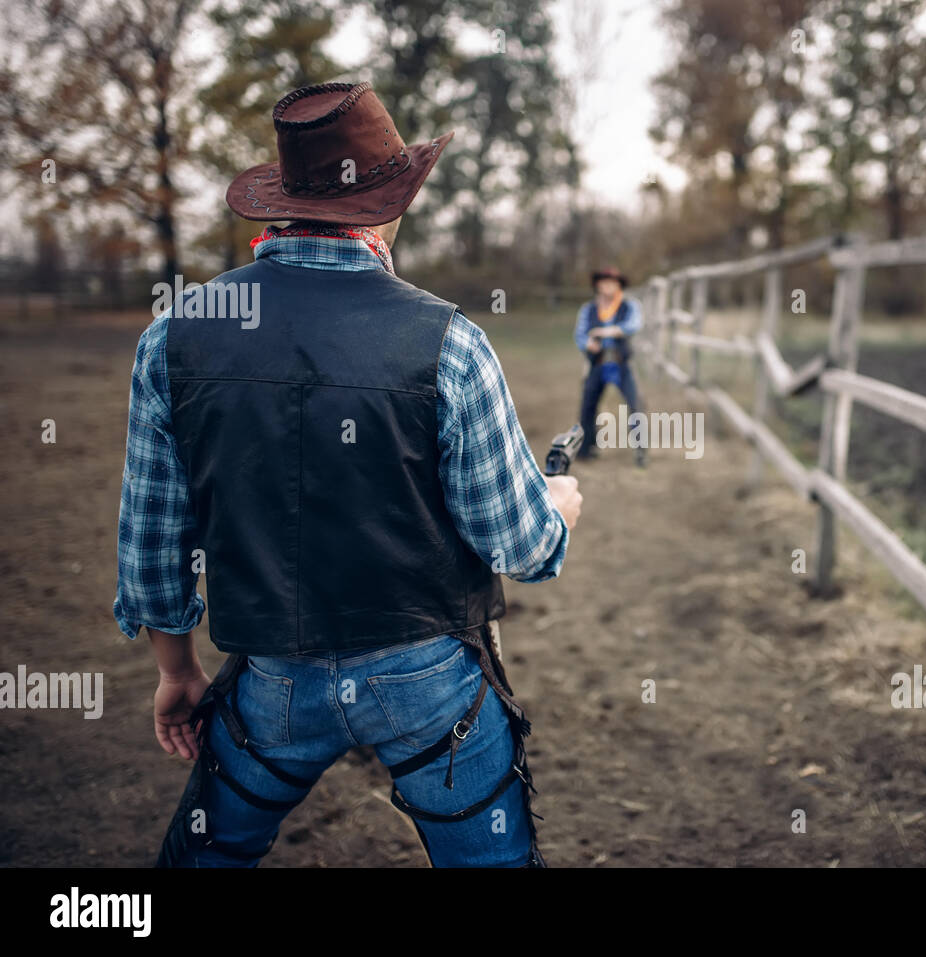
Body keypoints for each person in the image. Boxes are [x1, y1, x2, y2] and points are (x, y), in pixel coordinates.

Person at [113, 81, 582, 868]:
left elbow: (152, 542)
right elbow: (520, 544)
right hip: (429, 676)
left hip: (270, 676)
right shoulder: (451, 341)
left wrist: (177, 669)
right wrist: (559, 503)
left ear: (283, 201)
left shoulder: (173, 337)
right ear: (388, 207)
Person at [574, 265, 646, 466]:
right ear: (597, 285)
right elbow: (580, 334)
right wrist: (588, 343)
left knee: (636, 405)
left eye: (612, 283)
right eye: (604, 282)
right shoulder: (588, 309)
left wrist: (607, 332)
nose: (608, 286)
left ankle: (641, 451)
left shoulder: (629, 306)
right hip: (597, 363)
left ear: (618, 286)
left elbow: (633, 325)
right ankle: (587, 448)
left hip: (621, 363)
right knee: (587, 406)